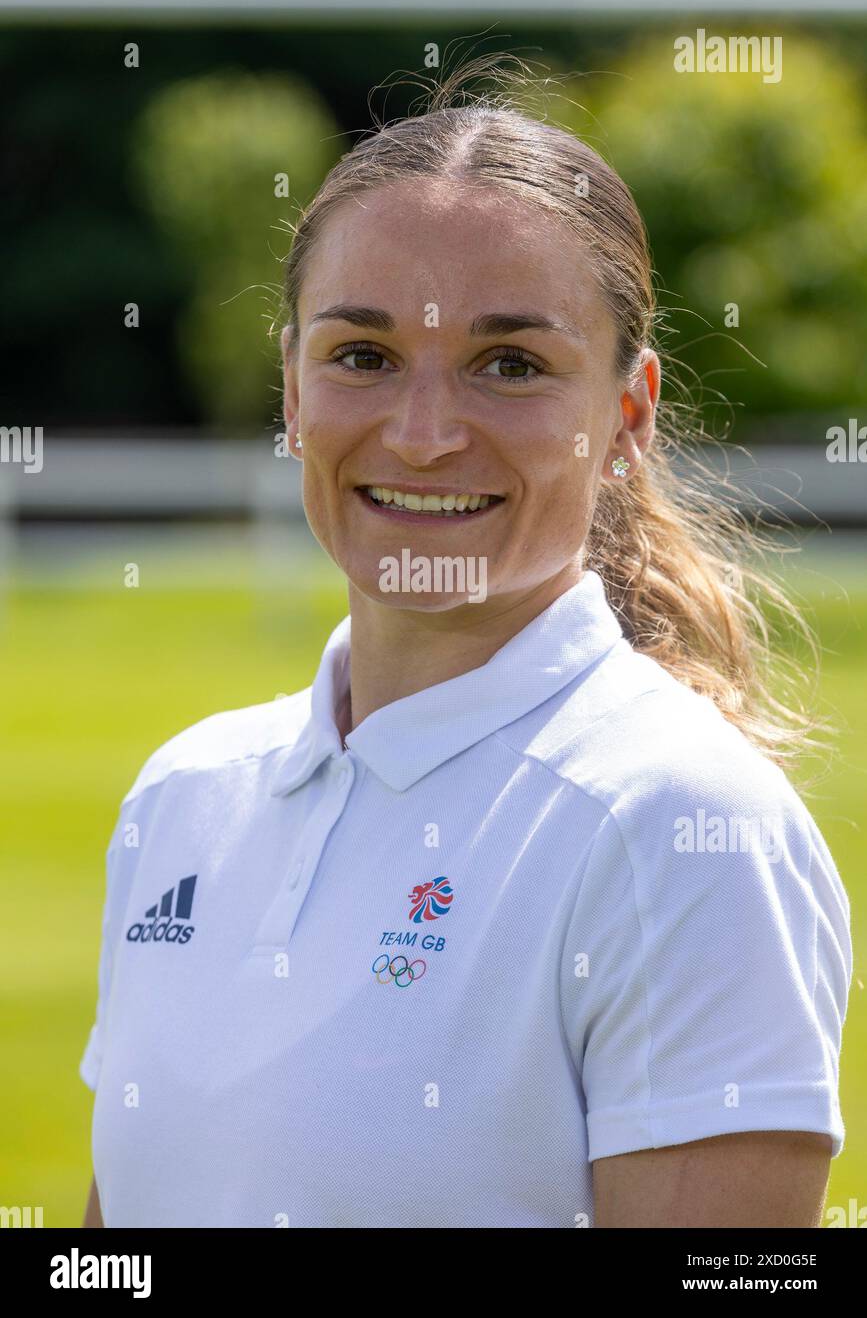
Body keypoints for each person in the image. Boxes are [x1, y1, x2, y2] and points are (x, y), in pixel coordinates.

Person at [80, 61, 852, 1229]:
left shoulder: (683, 830)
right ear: (291, 389)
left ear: (626, 417)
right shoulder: (181, 798)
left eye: (511, 365)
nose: (426, 434)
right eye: (363, 356)